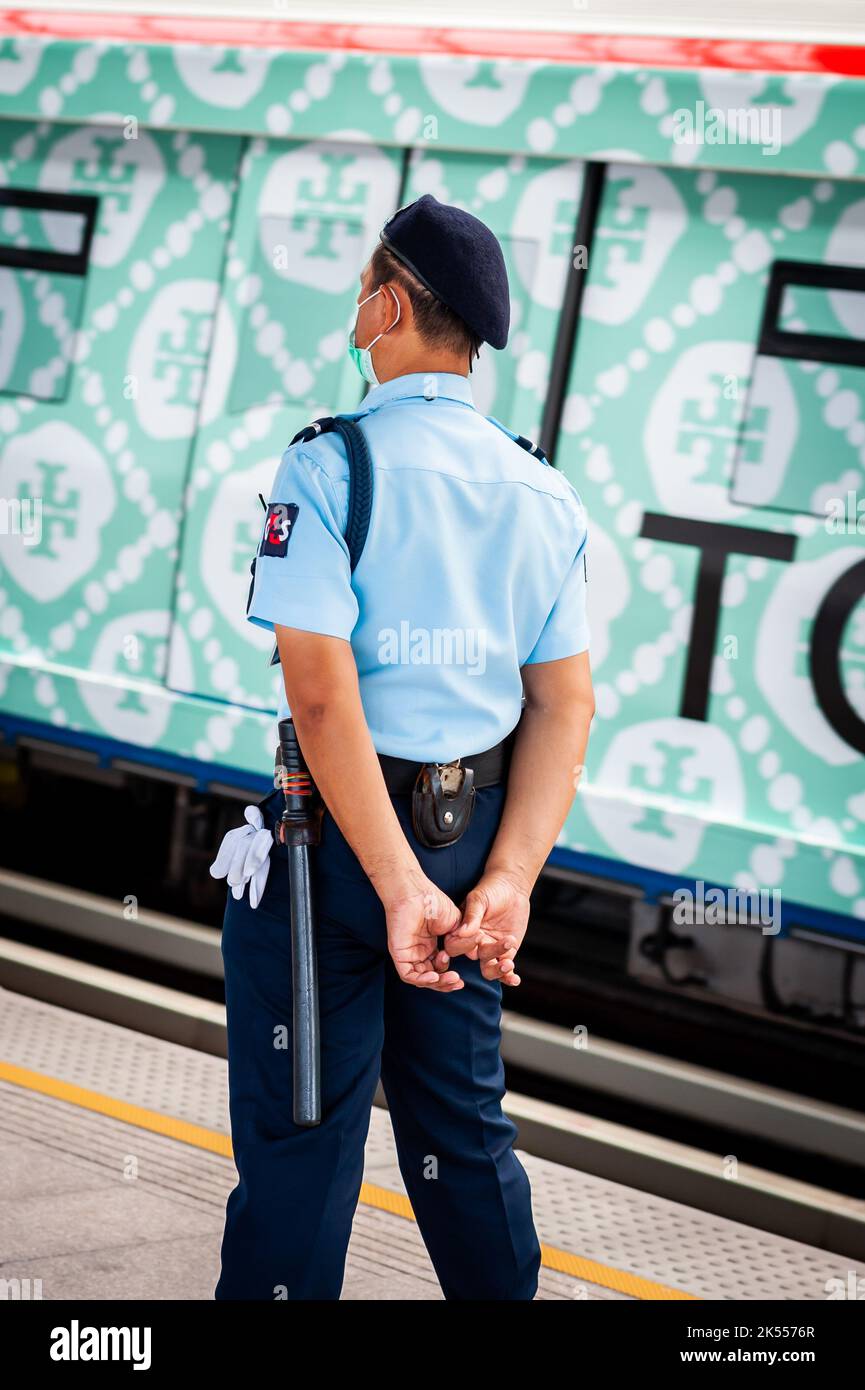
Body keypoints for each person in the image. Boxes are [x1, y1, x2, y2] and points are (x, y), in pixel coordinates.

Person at [213, 193, 595, 1301]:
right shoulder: (543, 491)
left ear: (386, 303)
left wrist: (388, 886)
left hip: (334, 841)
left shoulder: (330, 470)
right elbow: (563, 706)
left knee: (305, 1130)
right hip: (466, 848)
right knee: (463, 1131)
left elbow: (323, 703)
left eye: (361, 285)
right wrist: (506, 881)